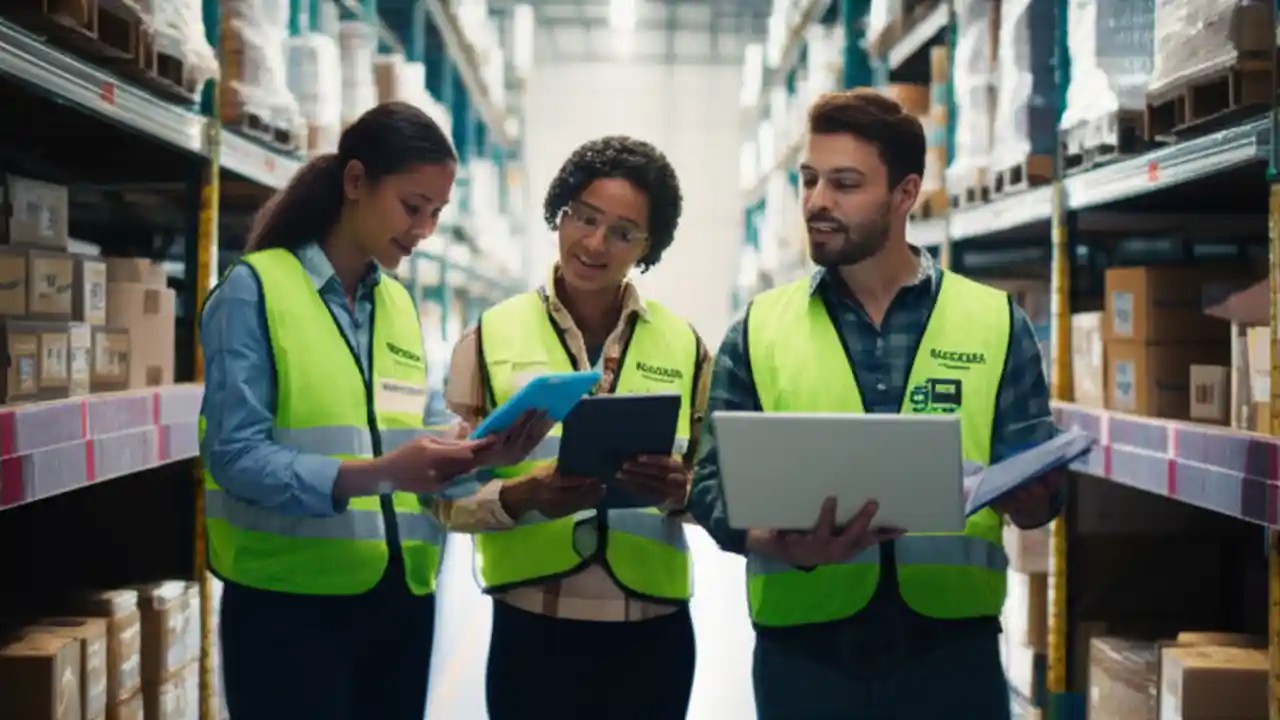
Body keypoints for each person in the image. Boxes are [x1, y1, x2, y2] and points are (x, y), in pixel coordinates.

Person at [687, 89, 1065, 719]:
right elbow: (707, 485)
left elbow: (1036, 481)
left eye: (844, 184)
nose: (817, 202)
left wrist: (1036, 498)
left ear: (905, 194)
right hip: (804, 657)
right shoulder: (758, 329)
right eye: (809, 180)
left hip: (951, 656)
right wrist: (775, 542)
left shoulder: (996, 322)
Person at [199, 101, 549, 720]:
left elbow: (415, 439)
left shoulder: (398, 305)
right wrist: (381, 474)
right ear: (356, 181)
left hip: (399, 605)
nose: (424, 229)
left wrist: (483, 453)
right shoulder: (255, 290)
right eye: (413, 207)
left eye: (437, 213)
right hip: (291, 612)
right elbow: (234, 456)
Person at [436, 135, 713, 720]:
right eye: (584, 217)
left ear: (648, 245)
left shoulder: (685, 346)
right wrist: (521, 495)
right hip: (533, 629)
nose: (595, 243)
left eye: (623, 232)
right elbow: (440, 493)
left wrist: (681, 492)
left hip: (653, 633)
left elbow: (718, 488)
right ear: (559, 213)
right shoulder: (489, 337)